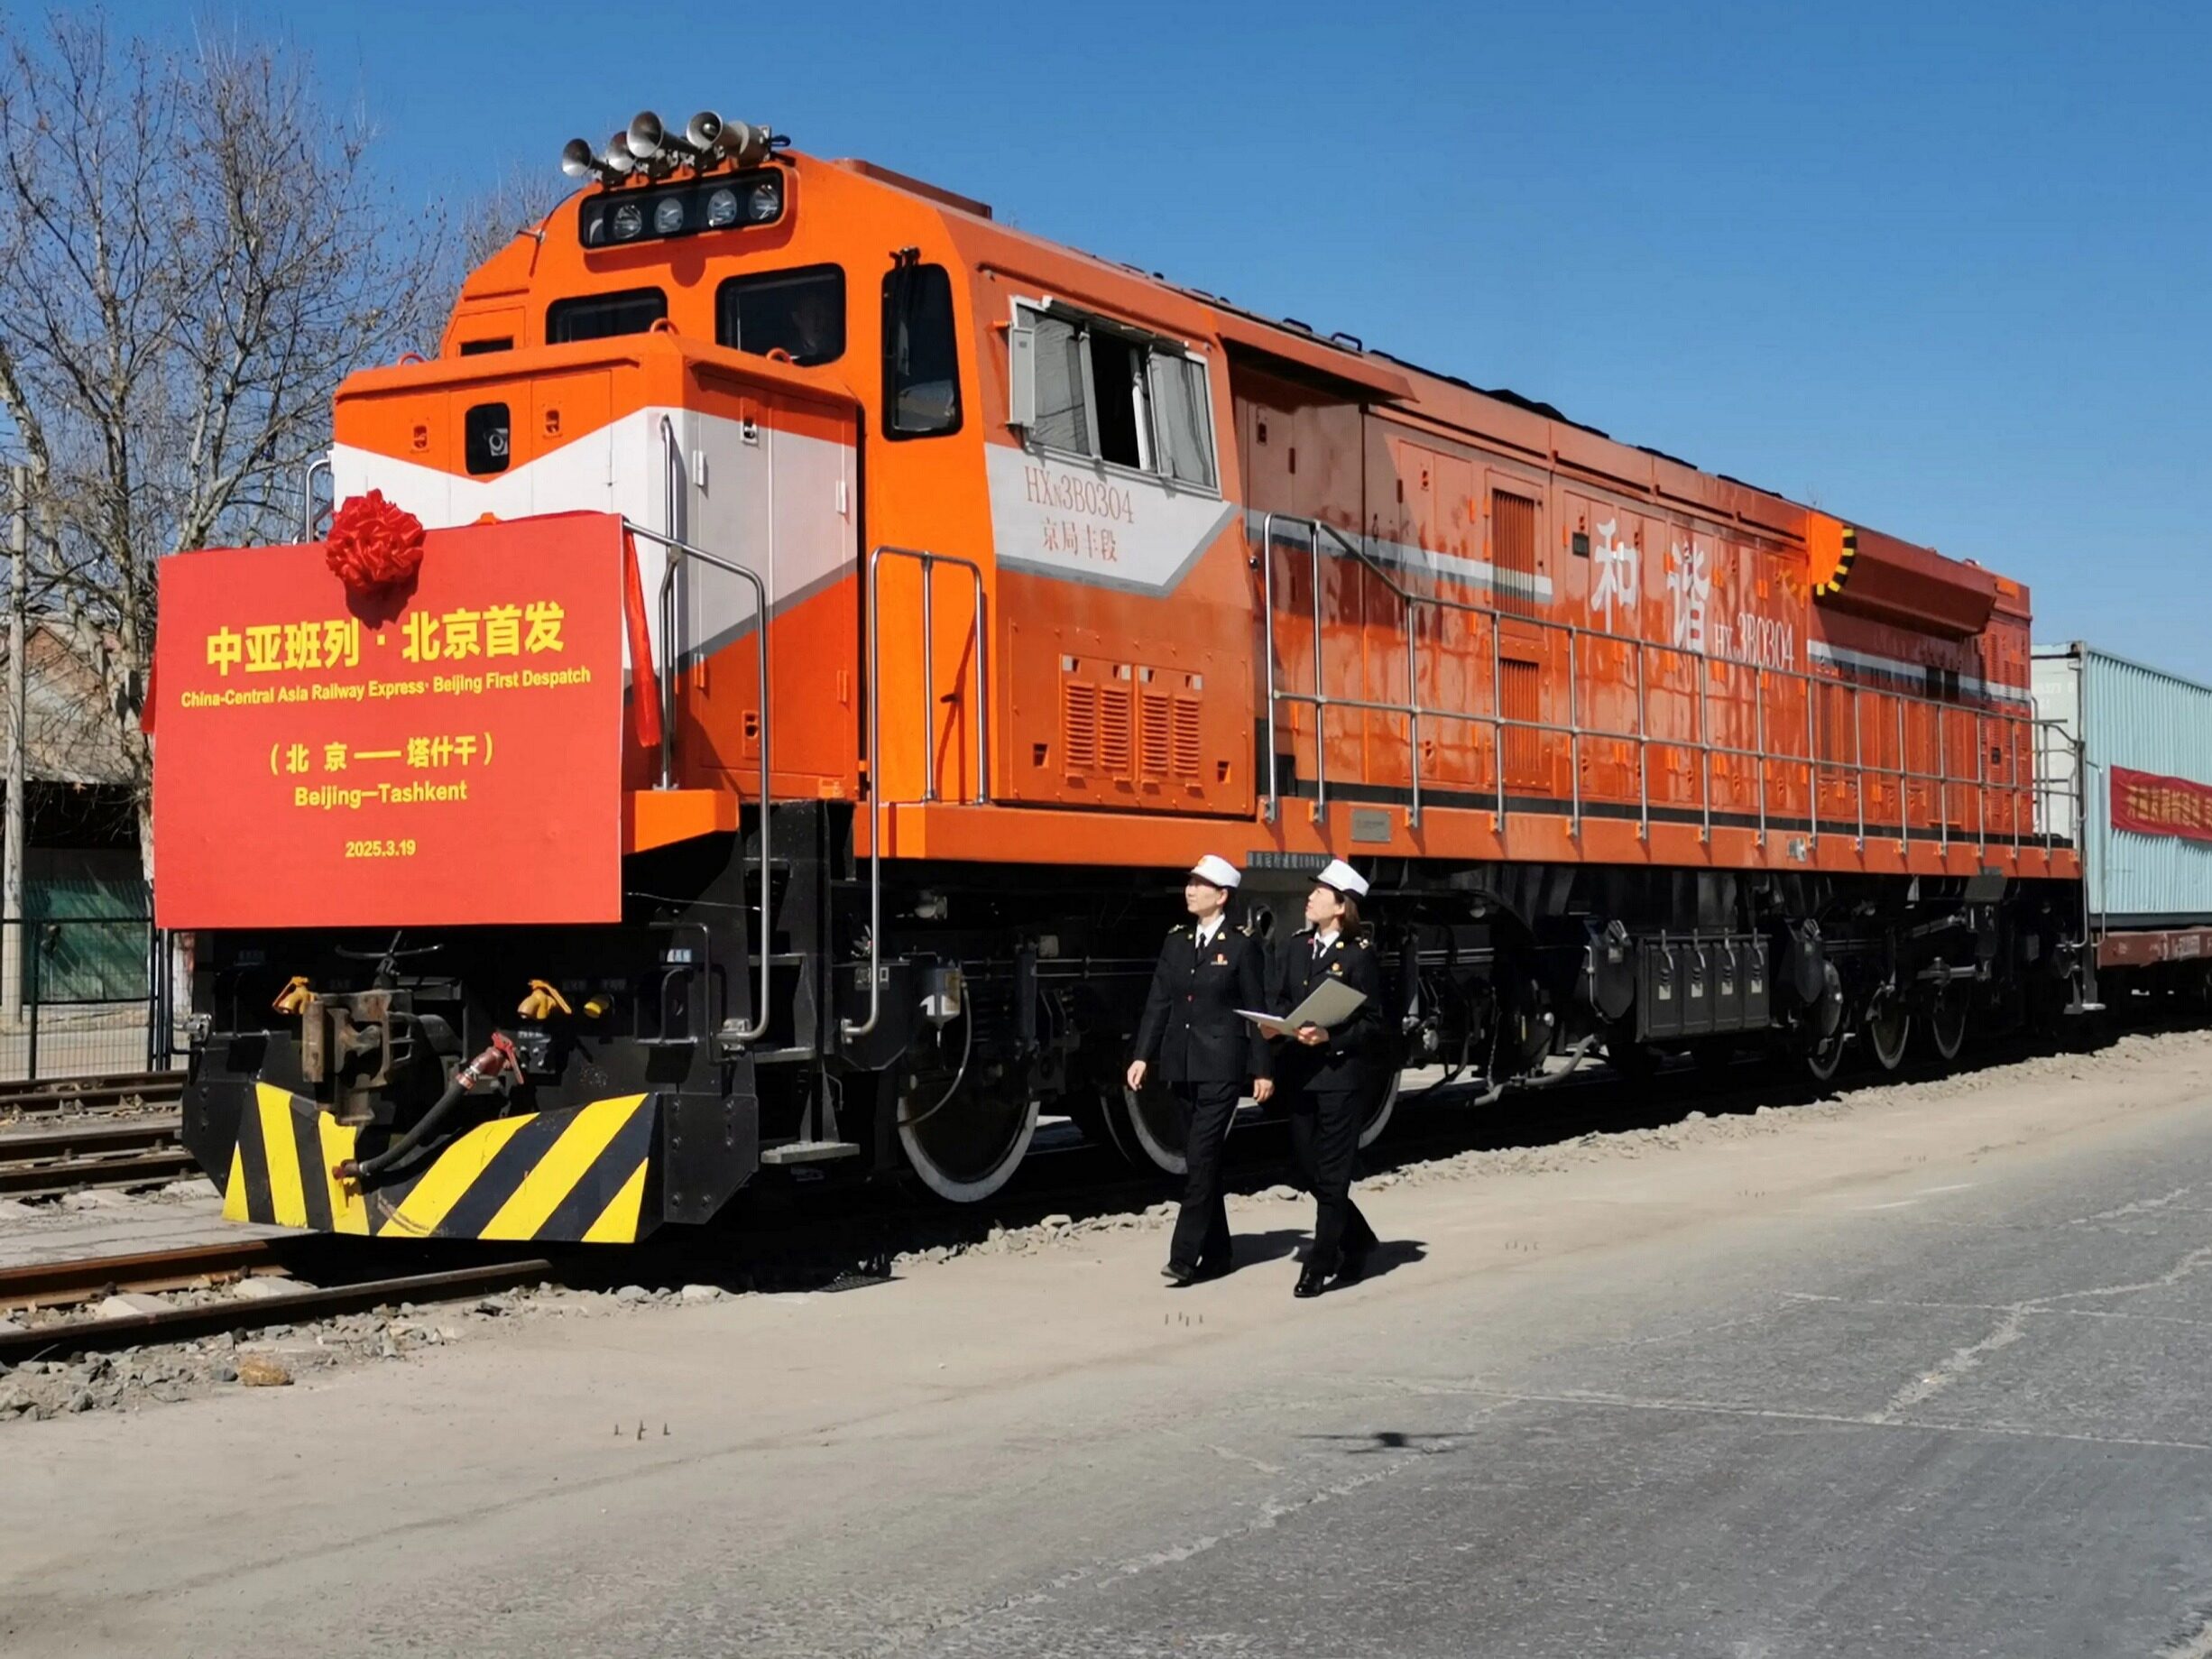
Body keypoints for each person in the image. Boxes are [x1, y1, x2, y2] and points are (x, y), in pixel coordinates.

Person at [1128, 854, 1275, 1285]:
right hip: (1181, 1063)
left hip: (1222, 1065)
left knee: (1200, 1156)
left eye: (1200, 884)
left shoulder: (1243, 945)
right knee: (1203, 1160)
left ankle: (1184, 1256)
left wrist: (1262, 1070)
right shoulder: (1176, 941)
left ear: (1222, 896)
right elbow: (1159, 1003)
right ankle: (1220, 1250)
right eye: (1189, 882)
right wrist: (1142, 1055)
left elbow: (1257, 1013)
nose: (1190, 890)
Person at [1268, 858, 1386, 1298]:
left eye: (1320, 892)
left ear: (1341, 907)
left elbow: (1375, 1023)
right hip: (1300, 1076)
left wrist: (1330, 1037)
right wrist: (1274, 1024)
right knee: (1307, 1168)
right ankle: (1358, 1240)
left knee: (1333, 1175)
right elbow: (1282, 999)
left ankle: (1319, 1265)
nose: (1311, 896)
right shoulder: (1297, 948)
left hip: (1339, 1078)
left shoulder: (1359, 957)